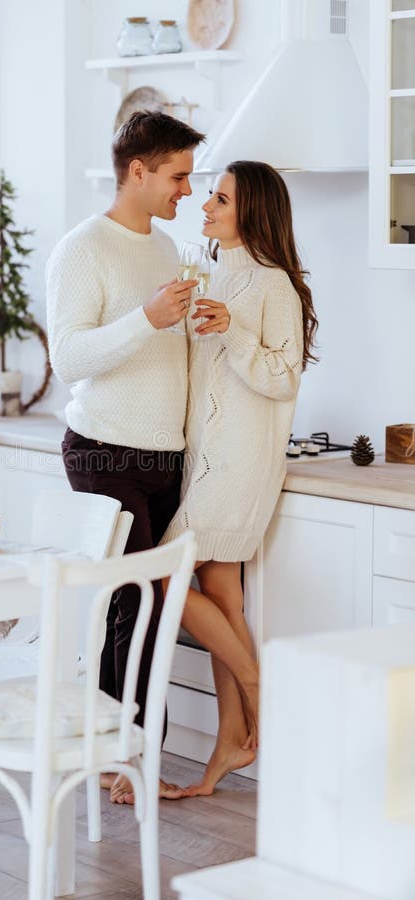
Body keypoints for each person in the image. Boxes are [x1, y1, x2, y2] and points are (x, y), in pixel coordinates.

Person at [46, 111, 205, 803]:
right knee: (133, 605)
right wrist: (148, 318)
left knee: (145, 607)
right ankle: (124, 762)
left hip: (163, 455)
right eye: (177, 176)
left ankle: (125, 756)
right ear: (137, 172)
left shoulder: (169, 248)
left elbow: (163, 350)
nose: (188, 191)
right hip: (104, 451)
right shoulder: (81, 250)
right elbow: (68, 358)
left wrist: (197, 324)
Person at [162, 160, 319, 796]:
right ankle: (230, 741)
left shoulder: (274, 285)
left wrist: (233, 333)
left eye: (219, 198)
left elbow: (282, 378)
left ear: (249, 210)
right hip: (202, 457)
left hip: (240, 462)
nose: (204, 206)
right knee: (223, 598)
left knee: (159, 572)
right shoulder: (215, 271)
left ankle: (257, 686)